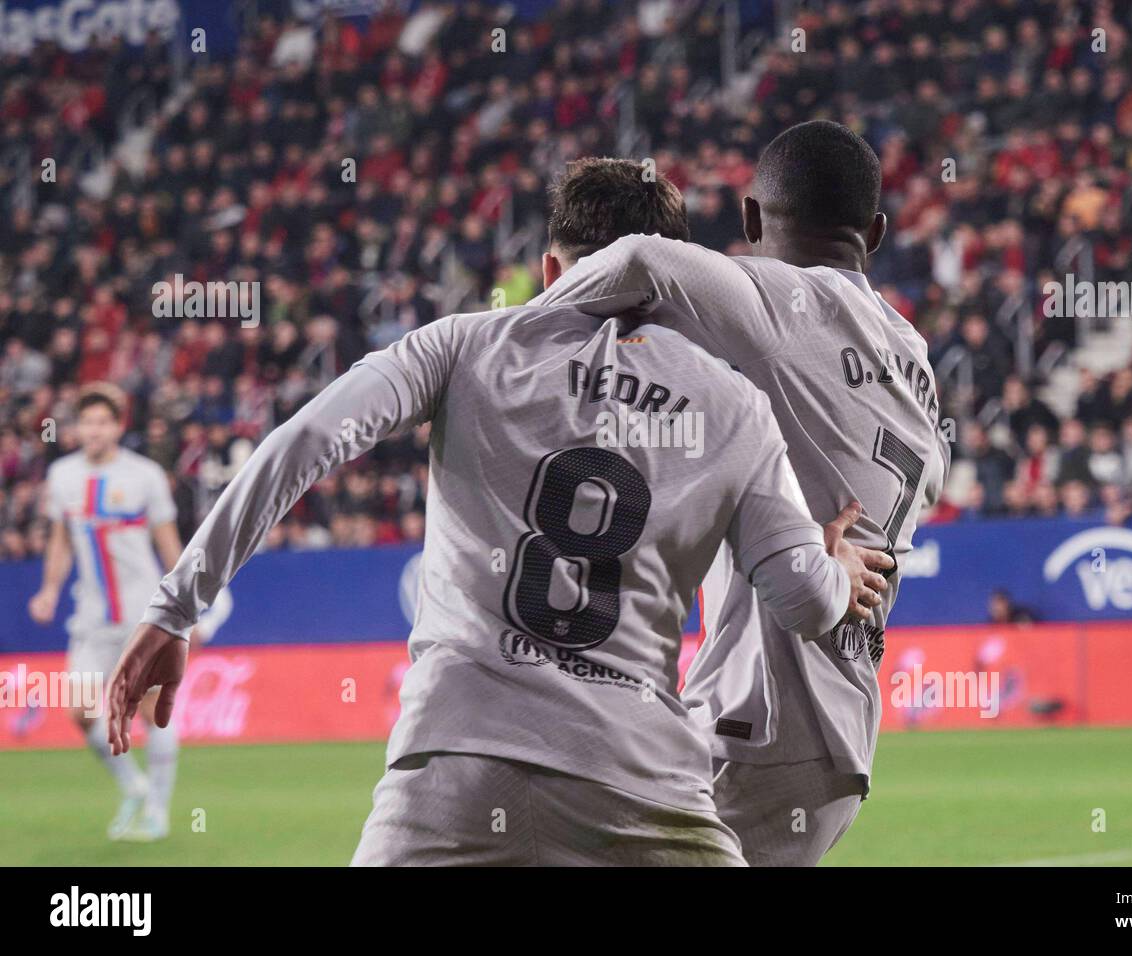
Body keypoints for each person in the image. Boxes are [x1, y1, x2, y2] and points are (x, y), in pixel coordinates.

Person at [106, 158, 890, 866]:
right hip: (642, 787)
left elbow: (307, 438)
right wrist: (835, 565)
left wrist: (178, 608)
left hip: (454, 766)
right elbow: (805, 602)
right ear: (678, 279)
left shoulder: (460, 346)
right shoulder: (735, 406)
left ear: (552, 268)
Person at [534, 121, 950, 865]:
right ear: (877, 232)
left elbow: (639, 258)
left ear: (752, 219)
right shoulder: (911, 356)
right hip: (837, 729)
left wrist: (505, 343)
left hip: (758, 722)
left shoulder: (776, 303)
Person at [28, 384, 187, 842]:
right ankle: (132, 785)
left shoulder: (146, 475)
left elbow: (168, 543)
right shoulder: (62, 476)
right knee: (79, 711)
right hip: (92, 618)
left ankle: (157, 811)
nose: (93, 430)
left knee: (152, 710)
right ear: (77, 428)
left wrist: (185, 605)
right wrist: (49, 589)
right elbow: (61, 540)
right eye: (86, 422)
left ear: (118, 426)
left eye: (102, 422)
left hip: (144, 615)